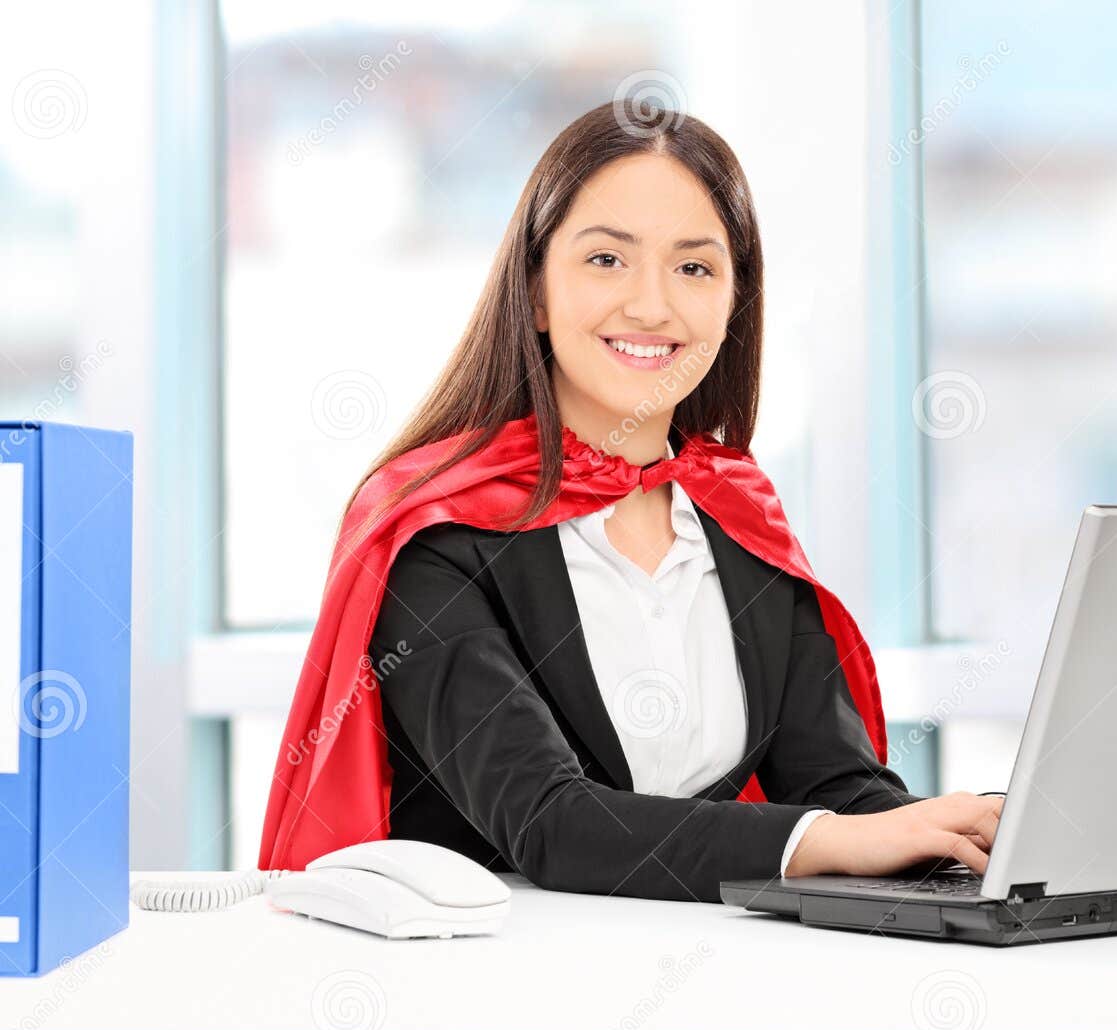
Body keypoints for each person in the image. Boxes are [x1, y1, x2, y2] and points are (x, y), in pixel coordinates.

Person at [259, 101, 1002, 902]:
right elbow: (549, 823)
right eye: (608, 260)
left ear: (732, 304)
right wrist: (829, 839)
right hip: (490, 997)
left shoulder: (740, 516)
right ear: (536, 293)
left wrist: (963, 837)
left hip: (722, 988)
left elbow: (841, 790)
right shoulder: (439, 531)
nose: (652, 306)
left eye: (694, 267)